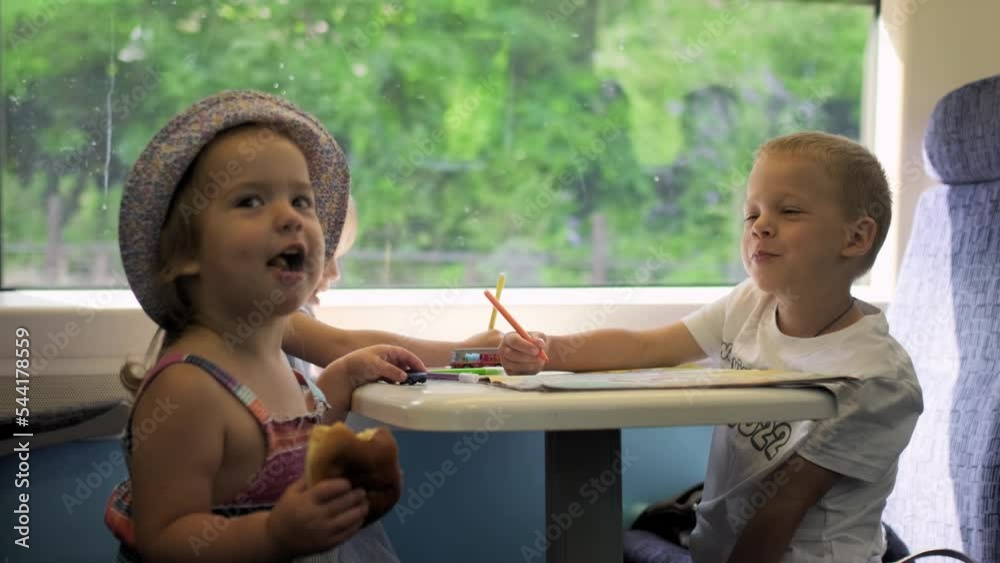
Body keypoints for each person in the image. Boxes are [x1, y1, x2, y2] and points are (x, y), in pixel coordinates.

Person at [498, 132, 924, 563]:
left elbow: (782, 509)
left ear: (855, 238)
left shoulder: (875, 376)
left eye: (789, 211)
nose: (760, 225)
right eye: (751, 214)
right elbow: (649, 347)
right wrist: (549, 350)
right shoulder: (750, 304)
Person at [105, 90, 425, 563]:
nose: (290, 217)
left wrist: (345, 375)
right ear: (185, 253)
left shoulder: (272, 358)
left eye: (302, 199)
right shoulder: (187, 390)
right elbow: (167, 537)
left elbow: (288, 443)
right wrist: (273, 535)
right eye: (251, 200)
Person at [283, 194, 502, 373]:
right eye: (324, 257)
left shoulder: (299, 313)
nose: (335, 273)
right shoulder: (275, 317)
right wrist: (470, 352)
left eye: (337, 257)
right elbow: (343, 346)